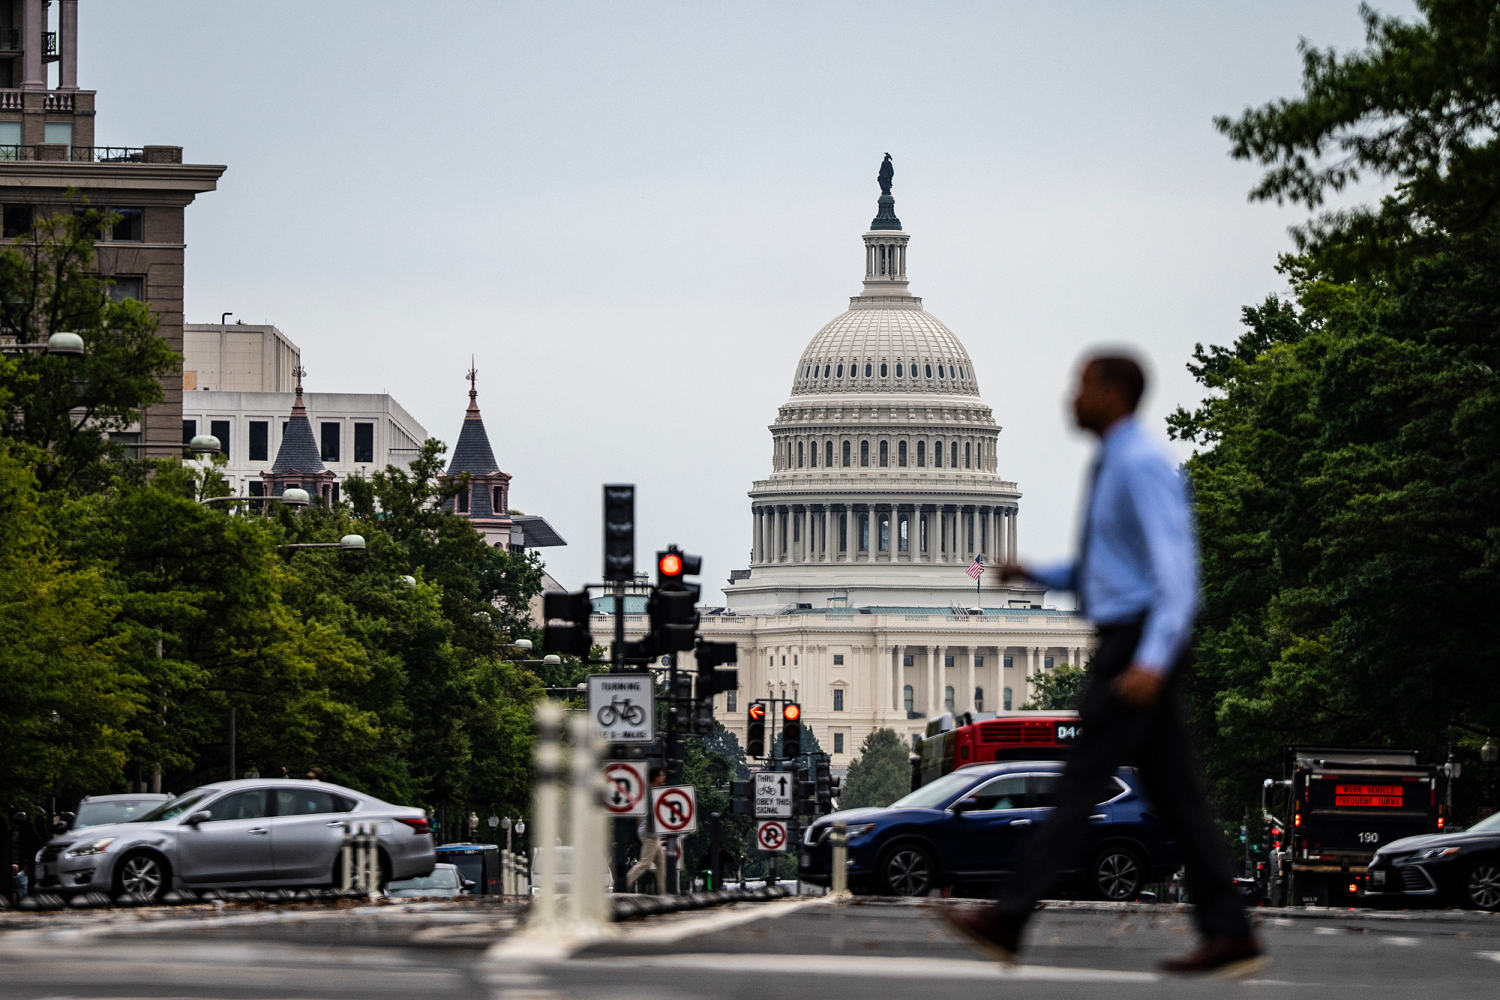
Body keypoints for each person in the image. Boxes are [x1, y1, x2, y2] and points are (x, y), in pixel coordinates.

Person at [942, 351, 1265, 976]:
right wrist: (1036, 572)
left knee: (1082, 781)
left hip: (1137, 641)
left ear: (1114, 393)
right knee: (1177, 797)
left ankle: (1008, 917)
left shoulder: (1140, 464)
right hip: (1129, 635)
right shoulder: (1115, 462)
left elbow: (1175, 576)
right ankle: (1230, 931)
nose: (1071, 397)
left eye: (1083, 385)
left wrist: (1151, 658)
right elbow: (1106, 569)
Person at [625, 767, 667, 892]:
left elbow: (639, 816)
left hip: (649, 833)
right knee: (645, 863)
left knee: (661, 863)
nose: (663, 778)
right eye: (661, 775)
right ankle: (624, 882)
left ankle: (664, 892)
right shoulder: (651, 793)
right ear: (655, 777)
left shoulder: (647, 792)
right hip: (650, 834)